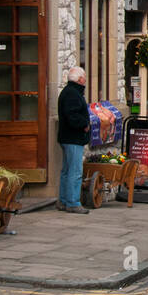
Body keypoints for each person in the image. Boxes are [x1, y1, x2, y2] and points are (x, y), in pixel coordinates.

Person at [56, 67, 92, 213]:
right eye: (84, 77)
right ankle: (72, 202)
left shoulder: (69, 91)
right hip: (73, 138)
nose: (85, 80)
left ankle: (64, 200)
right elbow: (73, 116)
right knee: (75, 171)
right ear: (79, 79)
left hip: (67, 137)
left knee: (66, 170)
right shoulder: (73, 94)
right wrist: (84, 124)